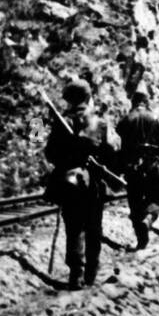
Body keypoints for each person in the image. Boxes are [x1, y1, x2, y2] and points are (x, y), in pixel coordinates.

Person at [43, 79, 120, 289]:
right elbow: (112, 152)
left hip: (68, 181)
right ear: (88, 97)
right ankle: (91, 273)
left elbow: (50, 153)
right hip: (93, 182)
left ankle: (76, 273)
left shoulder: (60, 121)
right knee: (94, 227)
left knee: (74, 227)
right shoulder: (99, 121)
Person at [117, 83, 159, 251]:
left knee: (135, 202)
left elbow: (117, 146)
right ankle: (149, 219)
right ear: (146, 101)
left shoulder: (125, 120)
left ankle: (142, 239)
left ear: (133, 102)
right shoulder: (156, 118)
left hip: (132, 167)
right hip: (153, 165)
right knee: (157, 198)